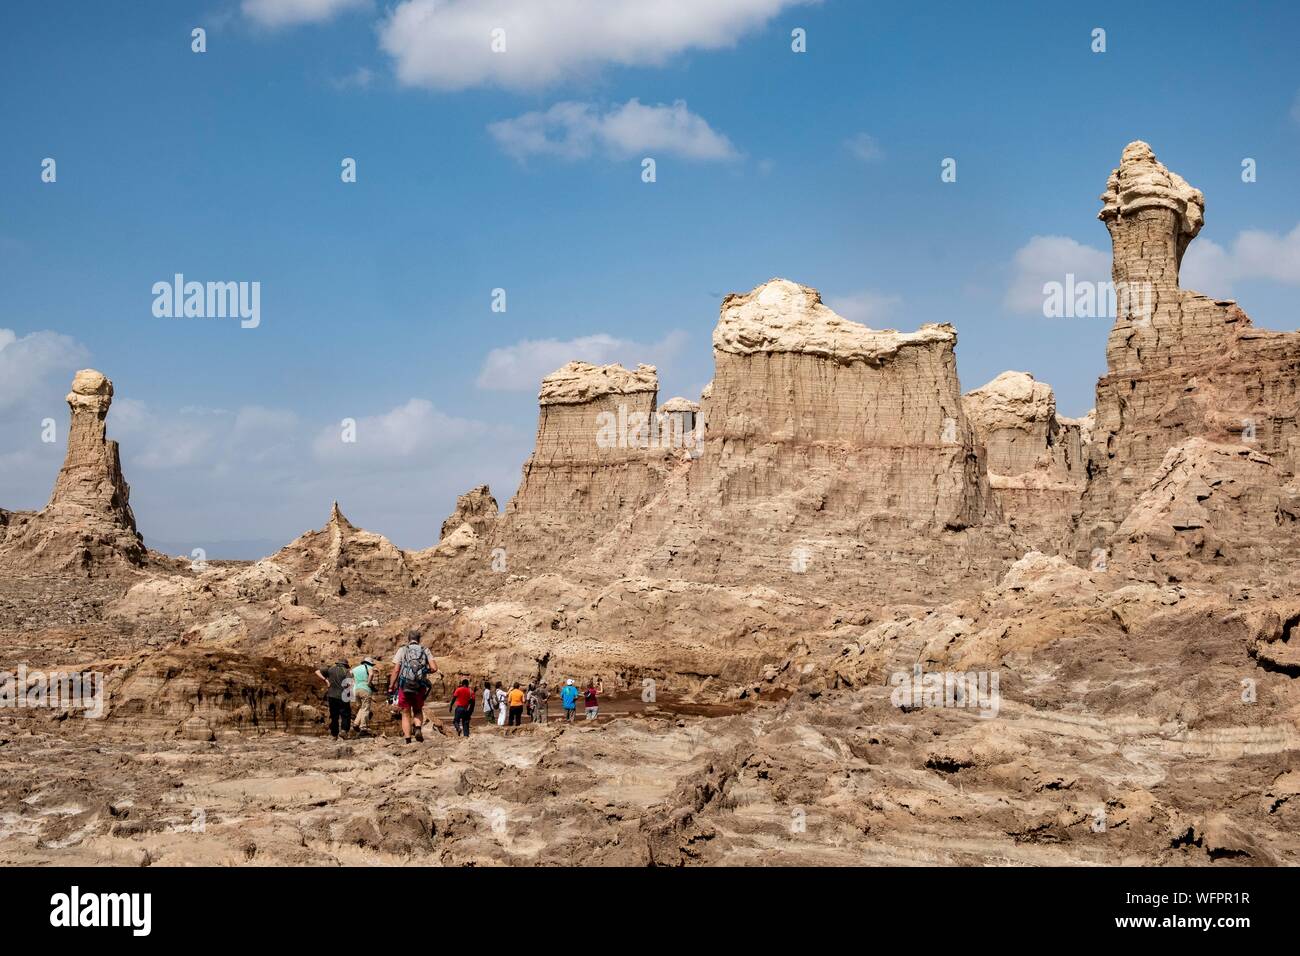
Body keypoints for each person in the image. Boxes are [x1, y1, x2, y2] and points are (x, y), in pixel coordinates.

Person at [388, 629, 437, 744]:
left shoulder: (403, 650)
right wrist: (424, 671)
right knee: (418, 710)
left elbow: (396, 670)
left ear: (409, 639)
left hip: (404, 685)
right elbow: (434, 668)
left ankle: (408, 739)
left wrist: (391, 686)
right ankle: (418, 728)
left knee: (405, 713)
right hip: (420, 686)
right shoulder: (425, 650)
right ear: (419, 640)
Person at [315, 657, 352, 739]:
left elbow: (317, 671)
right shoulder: (346, 671)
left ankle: (334, 734)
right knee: (345, 714)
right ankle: (343, 731)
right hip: (343, 695)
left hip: (331, 695)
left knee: (334, 715)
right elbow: (349, 683)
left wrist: (326, 680)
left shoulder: (330, 669)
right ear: (345, 665)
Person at [350, 656, 375, 736]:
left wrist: (355, 682)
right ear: (369, 663)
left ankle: (356, 724)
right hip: (365, 689)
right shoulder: (369, 667)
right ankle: (363, 727)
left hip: (356, 690)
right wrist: (368, 683)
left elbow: (349, 674)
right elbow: (371, 674)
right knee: (366, 708)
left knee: (362, 707)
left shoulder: (355, 668)